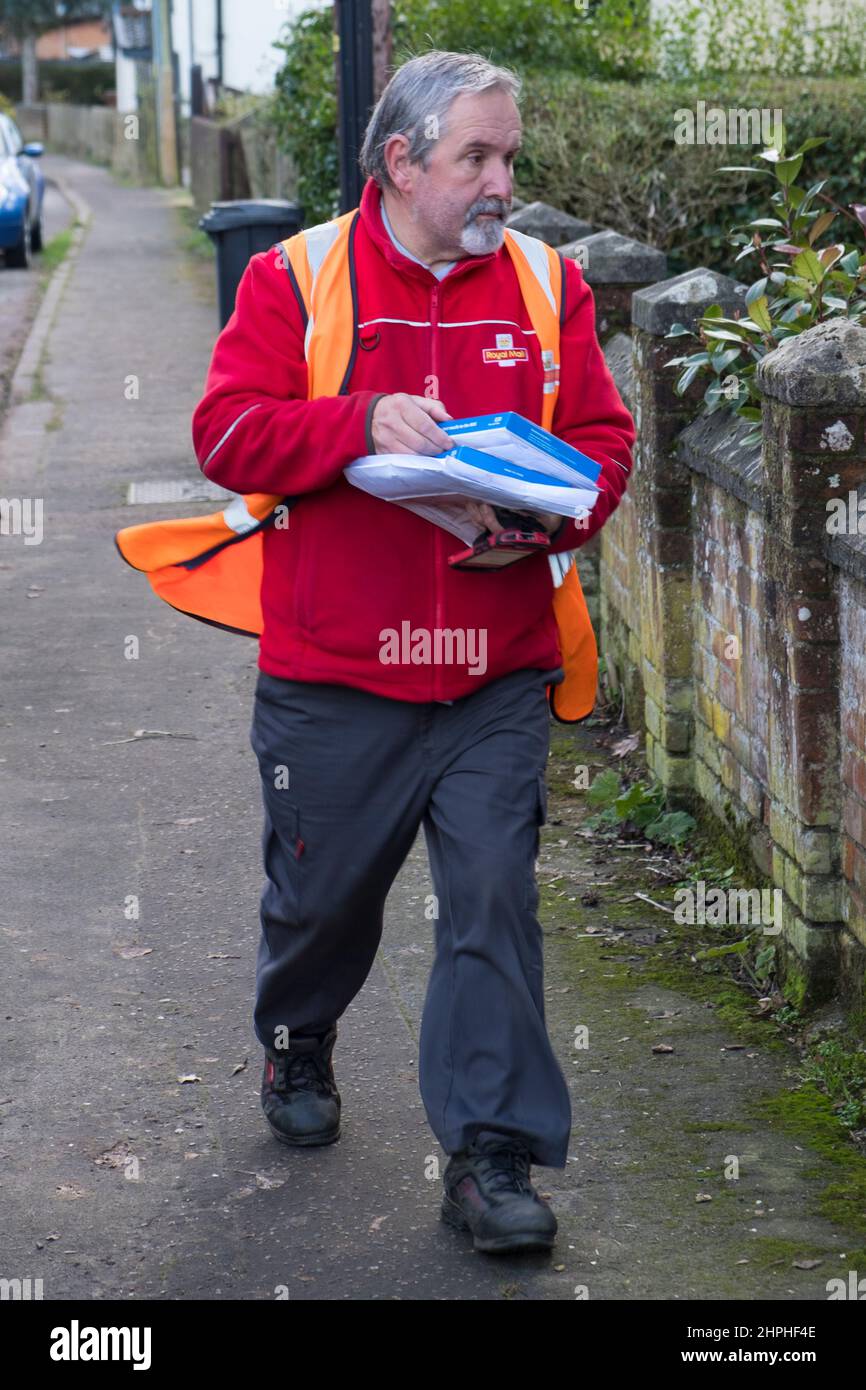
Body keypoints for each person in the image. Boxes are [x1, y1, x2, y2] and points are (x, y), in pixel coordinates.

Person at [191, 49, 635, 1257]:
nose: (499, 183)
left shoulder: (545, 285)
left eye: (507, 157)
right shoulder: (298, 276)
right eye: (474, 159)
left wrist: (552, 514)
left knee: (492, 899)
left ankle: (490, 1158)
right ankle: (299, 1033)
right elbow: (226, 431)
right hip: (333, 676)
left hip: (493, 672)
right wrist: (353, 425)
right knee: (321, 903)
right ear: (400, 161)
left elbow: (600, 439)